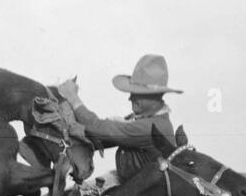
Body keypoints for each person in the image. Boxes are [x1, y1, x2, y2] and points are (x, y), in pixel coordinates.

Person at [56, 54, 179, 186]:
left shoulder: (152, 127)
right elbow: (103, 134)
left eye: (137, 94)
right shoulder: (146, 120)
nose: (130, 98)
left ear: (155, 97)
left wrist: (73, 97)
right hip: (132, 183)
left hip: (143, 194)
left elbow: (97, 126)